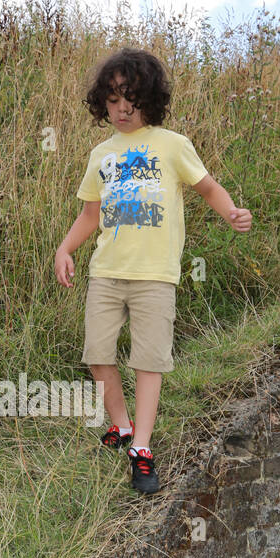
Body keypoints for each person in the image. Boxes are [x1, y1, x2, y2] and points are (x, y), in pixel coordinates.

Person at [55, 47, 252, 494]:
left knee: (148, 361)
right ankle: (121, 427)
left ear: (151, 99)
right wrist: (65, 249)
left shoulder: (172, 145)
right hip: (106, 272)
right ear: (101, 103)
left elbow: (207, 187)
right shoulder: (101, 154)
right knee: (98, 355)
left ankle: (140, 448)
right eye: (112, 99)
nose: (122, 108)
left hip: (155, 276)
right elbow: (90, 214)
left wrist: (232, 213)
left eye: (131, 98)